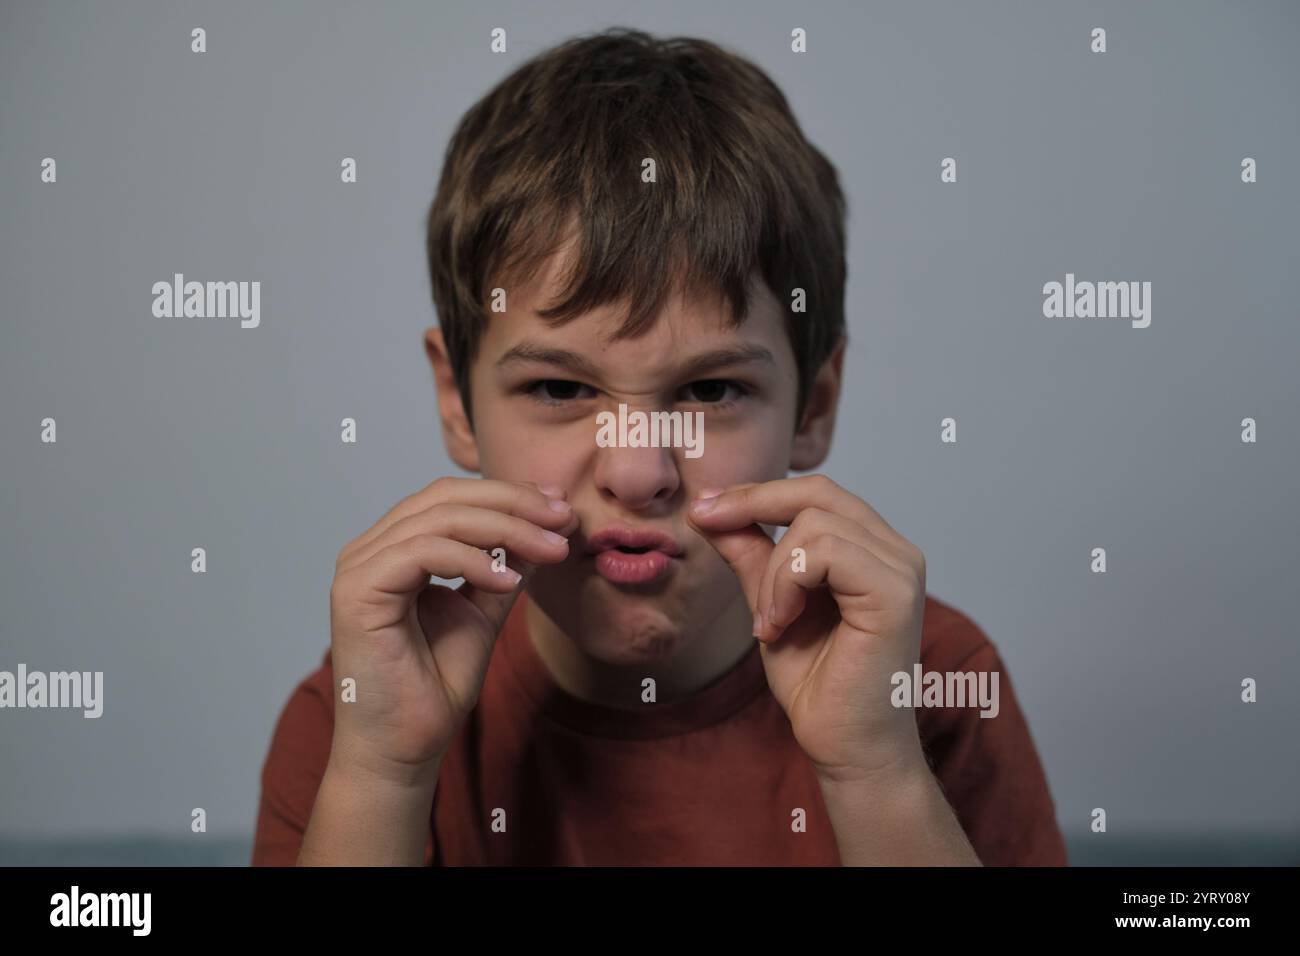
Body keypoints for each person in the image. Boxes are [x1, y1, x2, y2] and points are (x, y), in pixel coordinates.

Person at [252, 27, 1067, 866]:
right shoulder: (360, 719)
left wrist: (876, 772)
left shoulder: (931, 684)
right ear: (457, 403)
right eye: (561, 390)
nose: (639, 472)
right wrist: (384, 775)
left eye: (710, 391)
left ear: (813, 404)